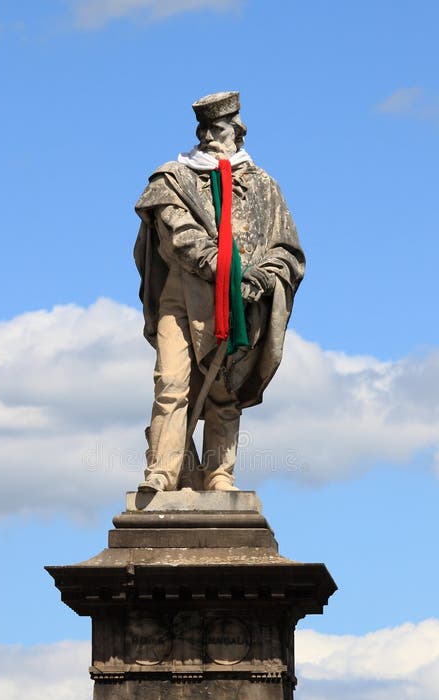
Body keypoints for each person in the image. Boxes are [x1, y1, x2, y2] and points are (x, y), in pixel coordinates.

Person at [134, 91, 305, 492]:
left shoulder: (263, 186)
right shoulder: (172, 179)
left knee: (224, 393)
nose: (209, 135)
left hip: (240, 301)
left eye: (219, 128)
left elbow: (287, 248)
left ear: (237, 134)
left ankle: (218, 475)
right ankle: (162, 472)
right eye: (204, 128)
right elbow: (178, 234)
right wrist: (224, 269)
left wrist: (260, 278)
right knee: (171, 384)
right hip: (184, 295)